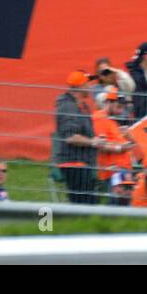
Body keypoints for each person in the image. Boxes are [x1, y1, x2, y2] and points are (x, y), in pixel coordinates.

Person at [52, 71, 101, 204]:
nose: (91, 86)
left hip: (83, 163)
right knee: (84, 204)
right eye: (88, 83)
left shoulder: (81, 106)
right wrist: (93, 142)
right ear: (81, 86)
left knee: (90, 202)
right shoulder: (68, 106)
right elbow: (71, 138)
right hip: (73, 163)